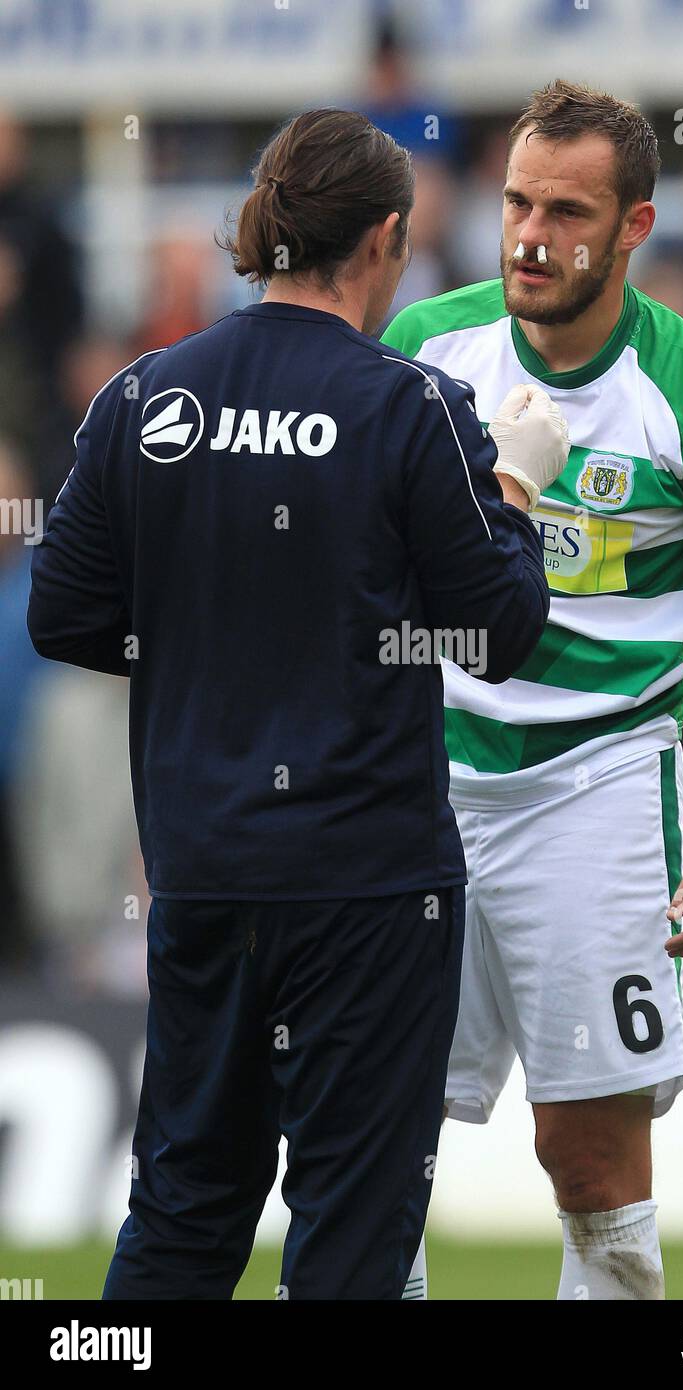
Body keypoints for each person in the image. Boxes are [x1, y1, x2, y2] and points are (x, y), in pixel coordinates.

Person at [27, 108, 570, 1300]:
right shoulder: (409, 406)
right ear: (383, 238)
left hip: (205, 867)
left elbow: (59, 616)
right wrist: (518, 484)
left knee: (180, 1212)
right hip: (369, 885)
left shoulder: (146, 395)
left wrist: (212, 637)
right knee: (351, 1229)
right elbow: (500, 628)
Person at [383, 80, 683, 1301]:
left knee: (587, 1159)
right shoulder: (427, 351)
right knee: (368, 1139)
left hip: (599, 790)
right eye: (518, 201)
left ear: (633, 227)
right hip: (424, 780)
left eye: (567, 212)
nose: (529, 235)